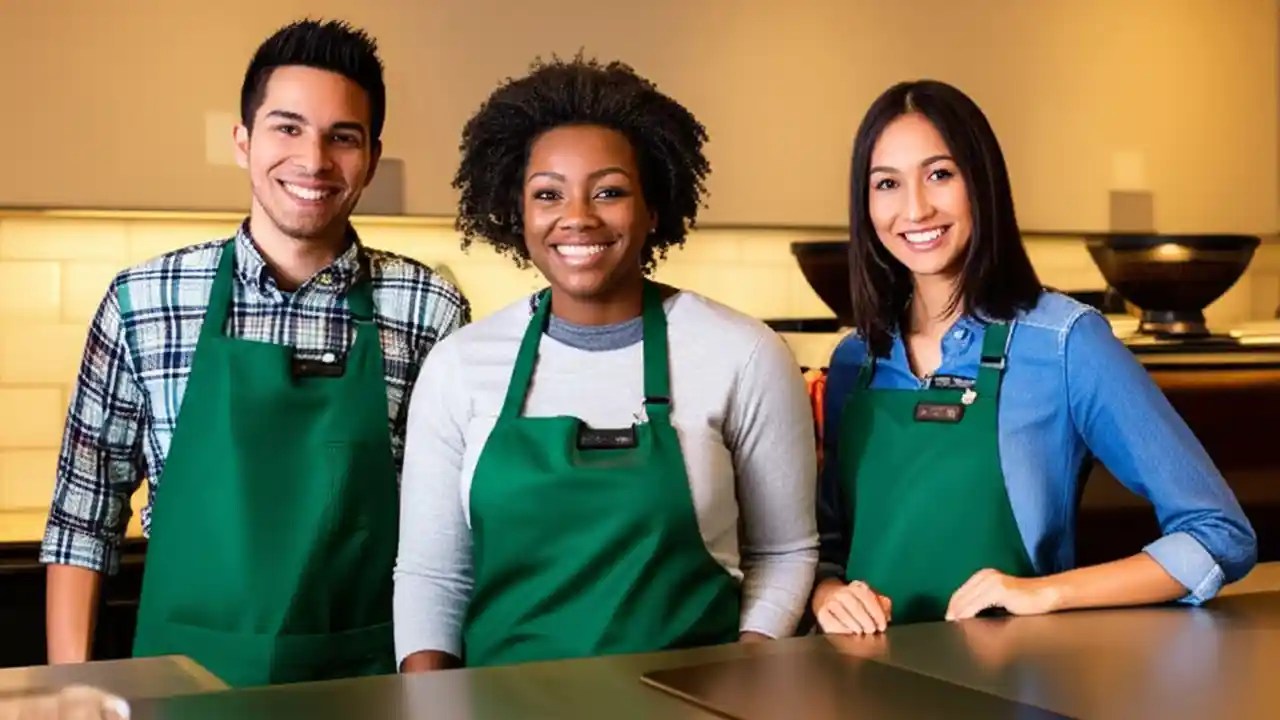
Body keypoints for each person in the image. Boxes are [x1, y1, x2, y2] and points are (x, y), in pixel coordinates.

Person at [40, 19, 469, 687]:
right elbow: (82, 517)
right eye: (287, 127)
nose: (314, 160)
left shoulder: (428, 309)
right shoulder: (144, 300)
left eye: (343, 137)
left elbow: (445, 538)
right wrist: (68, 690)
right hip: (179, 683)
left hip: (363, 686)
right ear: (242, 141)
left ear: (371, 158)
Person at [393, 55, 818, 670]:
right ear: (519, 211)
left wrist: (747, 679)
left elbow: (784, 553)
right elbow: (434, 576)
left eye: (610, 191)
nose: (578, 217)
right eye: (548, 194)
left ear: (652, 208)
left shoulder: (742, 354)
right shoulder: (461, 366)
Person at [812, 79, 1257, 635]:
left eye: (940, 174)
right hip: (866, 691)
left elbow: (1218, 533)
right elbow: (825, 547)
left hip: (1016, 689)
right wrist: (827, 593)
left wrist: (1044, 593)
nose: (915, 208)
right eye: (886, 183)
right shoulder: (856, 360)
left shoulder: (1066, 342)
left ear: (984, 183)